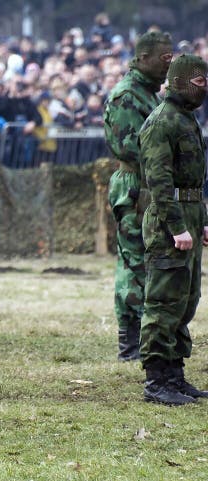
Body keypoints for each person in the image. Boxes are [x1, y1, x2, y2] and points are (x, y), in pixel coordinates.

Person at [137, 54, 208, 406]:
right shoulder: (161, 121)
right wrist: (178, 226)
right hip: (170, 219)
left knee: (186, 300)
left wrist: (201, 220)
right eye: (197, 82)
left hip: (191, 213)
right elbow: (160, 183)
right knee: (163, 301)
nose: (203, 89)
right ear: (179, 81)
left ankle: (175, 374)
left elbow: (194, 178)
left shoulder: (186, 119)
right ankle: (156, 379)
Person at [103, 31, 173, 362]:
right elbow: (126, 146)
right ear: (143, 58)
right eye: (164, 58)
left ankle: (140, 338)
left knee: (146, 261)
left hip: (148, 184)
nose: (169, 64)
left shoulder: (150, 96)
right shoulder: (126, 96)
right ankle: (129, 343)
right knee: (134, 263)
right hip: (134, 186)